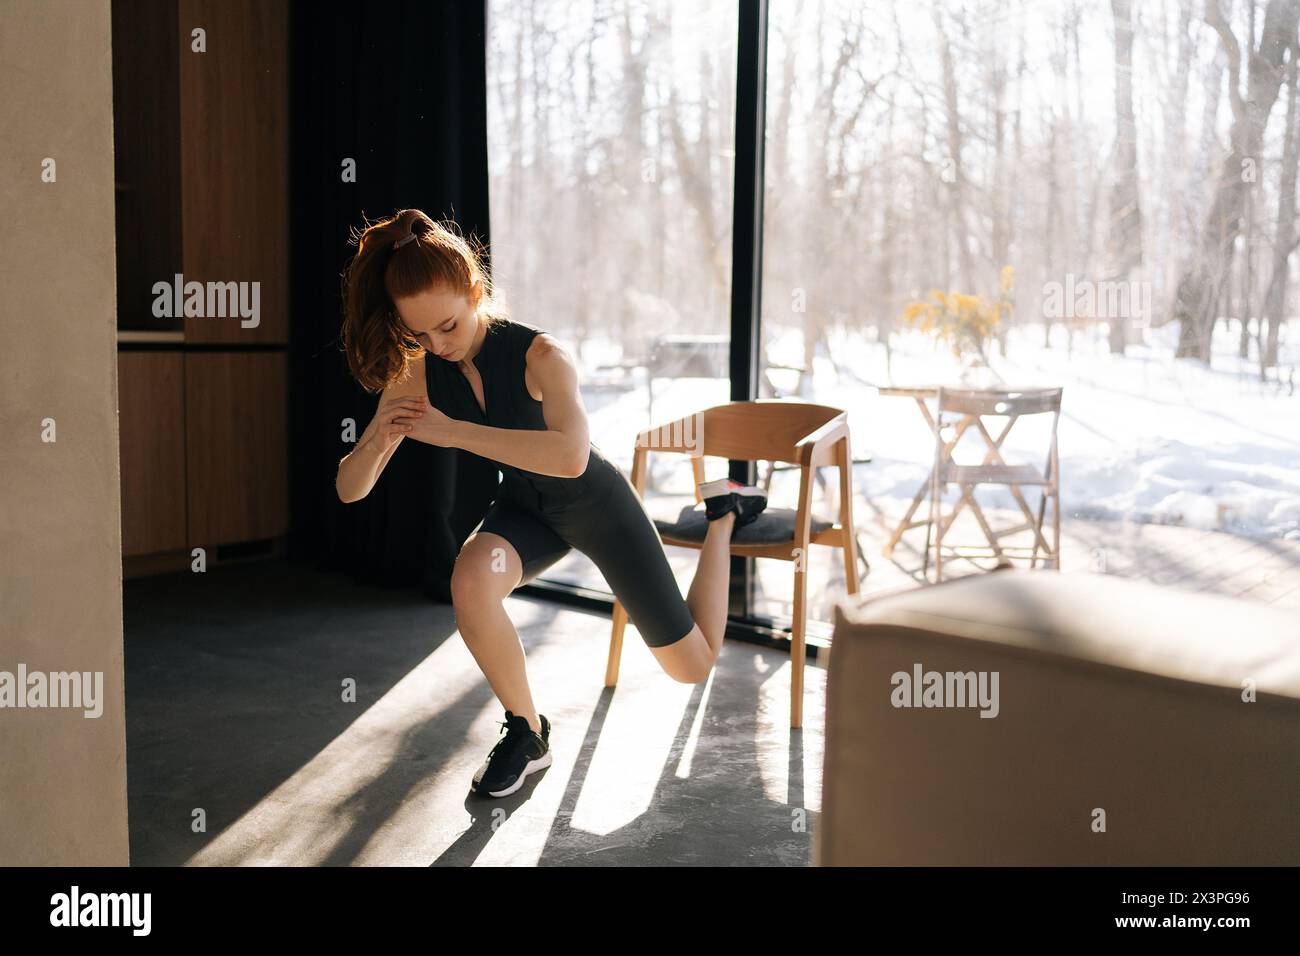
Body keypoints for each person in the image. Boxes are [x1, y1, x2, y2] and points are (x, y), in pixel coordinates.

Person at [334, 208, 768, 798]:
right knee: (469, 582)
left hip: (596, 505)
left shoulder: (542, 354)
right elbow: (350, 489)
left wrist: (451, 432)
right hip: (526, 510)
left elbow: (570, 457)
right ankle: (528, 731)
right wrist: (381, 437)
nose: (435, 345)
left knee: (689, 666)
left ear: (475, 291)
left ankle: (722, 518)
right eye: (419, 335)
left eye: (447, 326)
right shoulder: (418, 370)